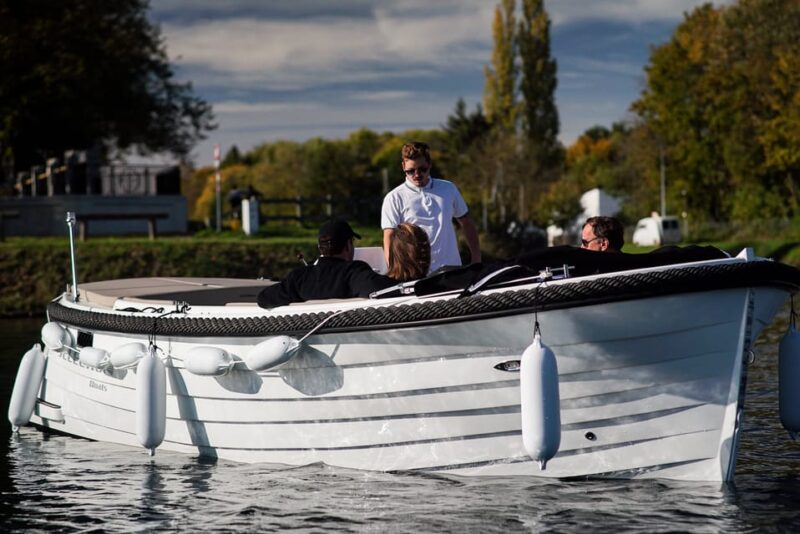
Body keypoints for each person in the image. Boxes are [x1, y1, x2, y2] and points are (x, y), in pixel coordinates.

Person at [381, 141, 480, 273]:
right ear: (403, 166)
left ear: (430, 164)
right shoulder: (394, 197)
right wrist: (392, 269)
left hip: (451, 269)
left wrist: (477, 259)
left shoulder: (448, 188)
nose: (417, 175)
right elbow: (389, 236)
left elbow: (466, 222)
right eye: (410, 171)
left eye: (422, 169)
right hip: (416, 274)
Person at [257, 219, 395, 308]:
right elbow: (389, 290)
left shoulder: (299, 277)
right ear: (348, 245)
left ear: (319, 248)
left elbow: (263, 298)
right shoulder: (354, 272)